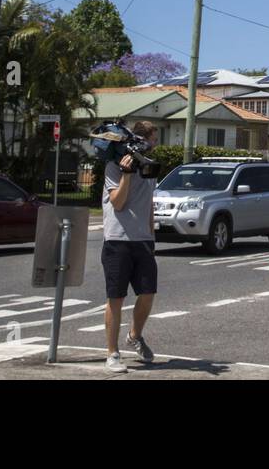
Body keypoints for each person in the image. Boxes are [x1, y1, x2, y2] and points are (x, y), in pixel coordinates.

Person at [101, 120, 159, 372]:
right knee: (116, 297)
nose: (155, 145)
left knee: (148, 294)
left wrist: (151, 236)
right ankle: (112, 354)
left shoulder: (148, 169)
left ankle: (135, 336)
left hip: (142, 240)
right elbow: (118, 202)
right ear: (140, 140)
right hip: (118, 240)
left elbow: (148, 204)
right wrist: (126, 175)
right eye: (153, 139)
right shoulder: (113, 167)